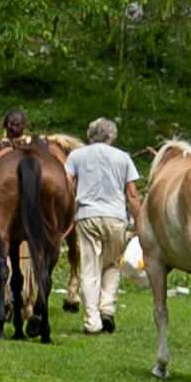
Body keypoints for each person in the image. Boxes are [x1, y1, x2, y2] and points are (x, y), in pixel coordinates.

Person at [66, 112, 137, 335]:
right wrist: (140, 224)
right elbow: (132, 194)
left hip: (87, 215)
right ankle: (107, 309)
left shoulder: (77, 156)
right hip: (115, 217)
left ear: (90, 135)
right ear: (112, 136)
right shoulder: (123, 158)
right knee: (113, 264)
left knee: (90, 267)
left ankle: (93, 321)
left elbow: (67, 185)